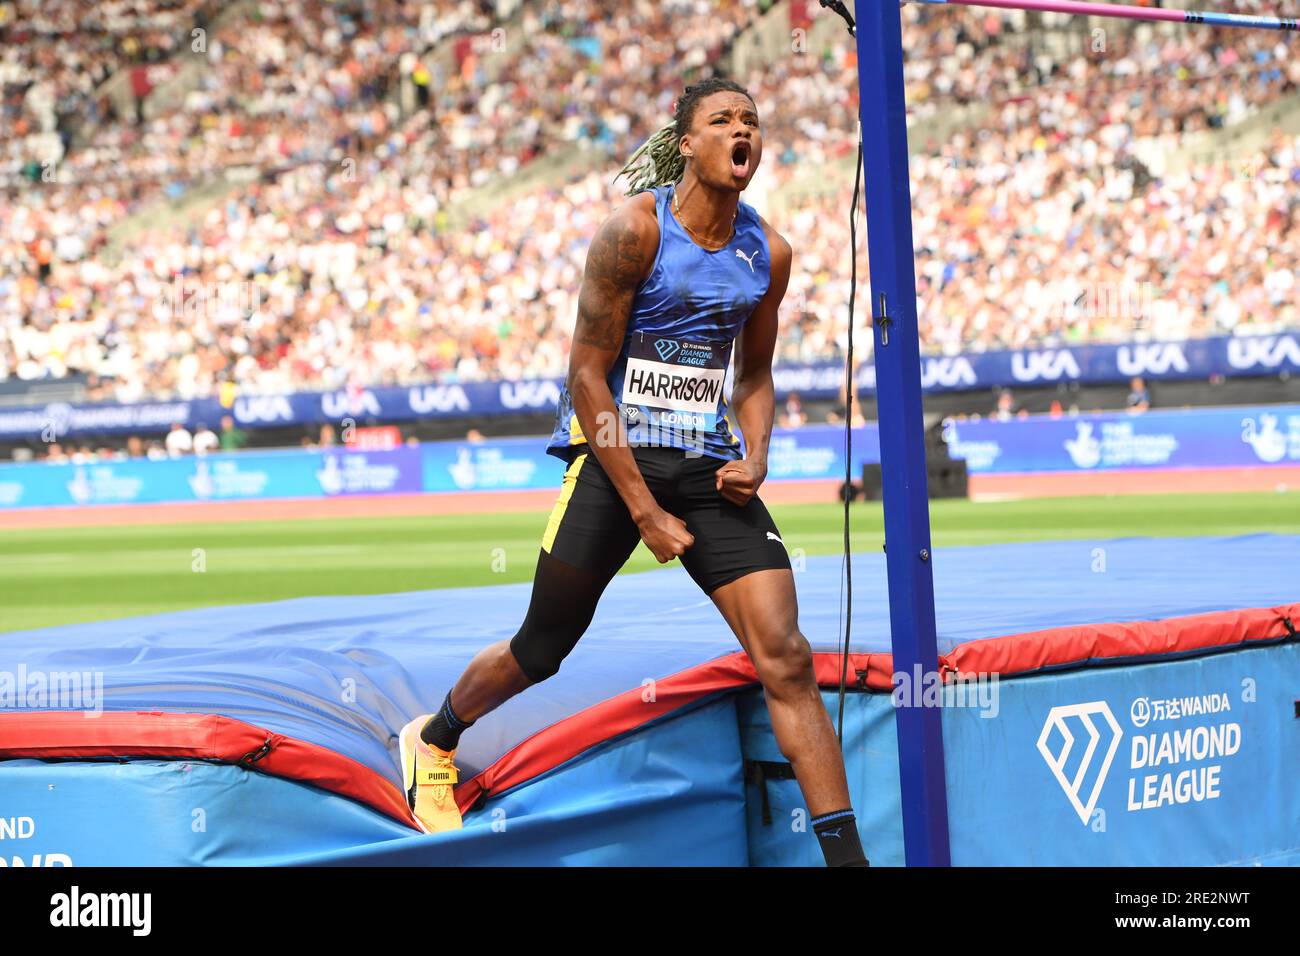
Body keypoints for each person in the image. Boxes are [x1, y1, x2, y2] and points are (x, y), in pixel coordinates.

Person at [399, 78, 869, 867]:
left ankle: (847, 859)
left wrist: (757, 454)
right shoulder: (634, 232)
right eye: (722, 120)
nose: (740, 130)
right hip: (614, 458)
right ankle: (434, 740)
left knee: (785, 653)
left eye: (750, 121)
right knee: (544, 644)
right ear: (687, 143)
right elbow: (588, 378)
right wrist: (643, 510)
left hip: (709, 468)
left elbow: (752, 376)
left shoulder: (768, 253)